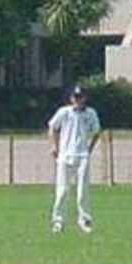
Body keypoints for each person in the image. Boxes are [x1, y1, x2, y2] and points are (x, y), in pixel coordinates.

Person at [47, 85, 102, 234]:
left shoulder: (91, 113)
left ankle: (84, 219)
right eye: (75, 97)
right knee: (62, 190)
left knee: (82, 190)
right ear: (71, 98)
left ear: (85, 98)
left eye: (80, 97)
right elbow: (52, 127)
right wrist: (54, 147)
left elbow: (97, 131)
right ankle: (58, 221)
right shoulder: (64, 112)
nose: (78, 100)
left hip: (82, 155)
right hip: (65, 155)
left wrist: (89, 149)